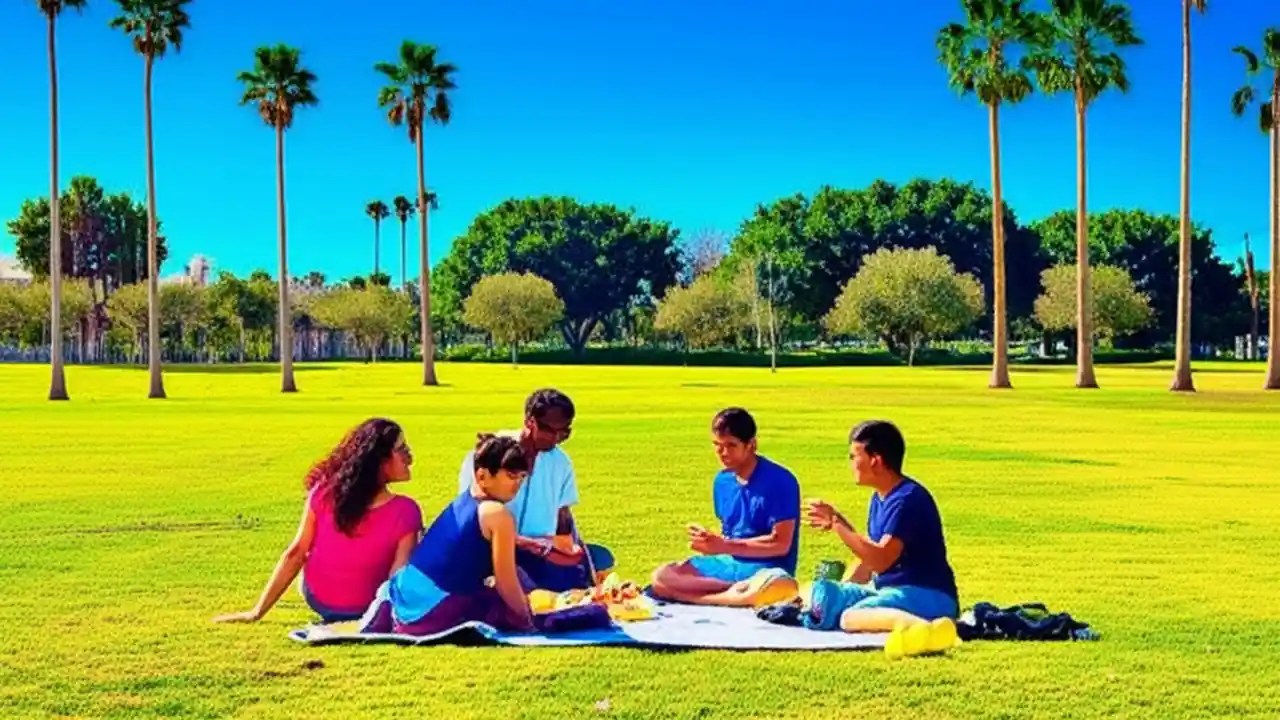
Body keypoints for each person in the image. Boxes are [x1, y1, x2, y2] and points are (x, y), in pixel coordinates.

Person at [214, 418, 423, 624]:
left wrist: (257, 612)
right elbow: (398, 580)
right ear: (380, 459)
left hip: (320, 600)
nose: (410, 458)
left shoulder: (323, 494)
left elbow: (296, 553)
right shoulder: (406, 511)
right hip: (369, 606)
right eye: (402, 450)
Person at [362, 433, 535, 635]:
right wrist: (526, 620)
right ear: (482, 476)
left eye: (522, 477)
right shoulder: (498, 514)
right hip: (432, 610)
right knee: (506, 603)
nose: (517, 485)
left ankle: (389, 613)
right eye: (511, 476)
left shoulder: (465, 500)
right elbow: (506, 581)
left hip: (402, 594)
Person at [803, 419, 959, 632]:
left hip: (927, 595)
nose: (850, 463)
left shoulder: (908, 499)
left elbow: (881, 560)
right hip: (889, 591)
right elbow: (867, 560)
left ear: (875, 460)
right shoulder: (880, 498)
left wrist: (837, 523)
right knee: (815, 594)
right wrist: (841, 589)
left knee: (851, 617)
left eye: (854, 456)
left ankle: (930, 629)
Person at [456, 388, 612, 591]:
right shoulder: (491, 453)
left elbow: (562, 514)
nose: (556, 438)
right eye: (549, 430)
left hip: (540, 555)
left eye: (564, 432)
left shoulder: (561, 462)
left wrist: (568, 550)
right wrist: (520, 542)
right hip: (491, 551)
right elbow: (472, 514)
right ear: (530, 421)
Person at [650, 407, 800, 607]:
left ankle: (709, 594)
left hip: (767, 569)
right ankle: (730, 594)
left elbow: (781, 544)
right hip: (730, 563)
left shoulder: (780, 481)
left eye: (731, 445)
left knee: (771, 585)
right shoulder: (722, 481)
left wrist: (722, 546)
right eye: (717, 445)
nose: (723, 453)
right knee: (662, 576)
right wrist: (710, 542)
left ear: (751, 445)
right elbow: (728, 535)